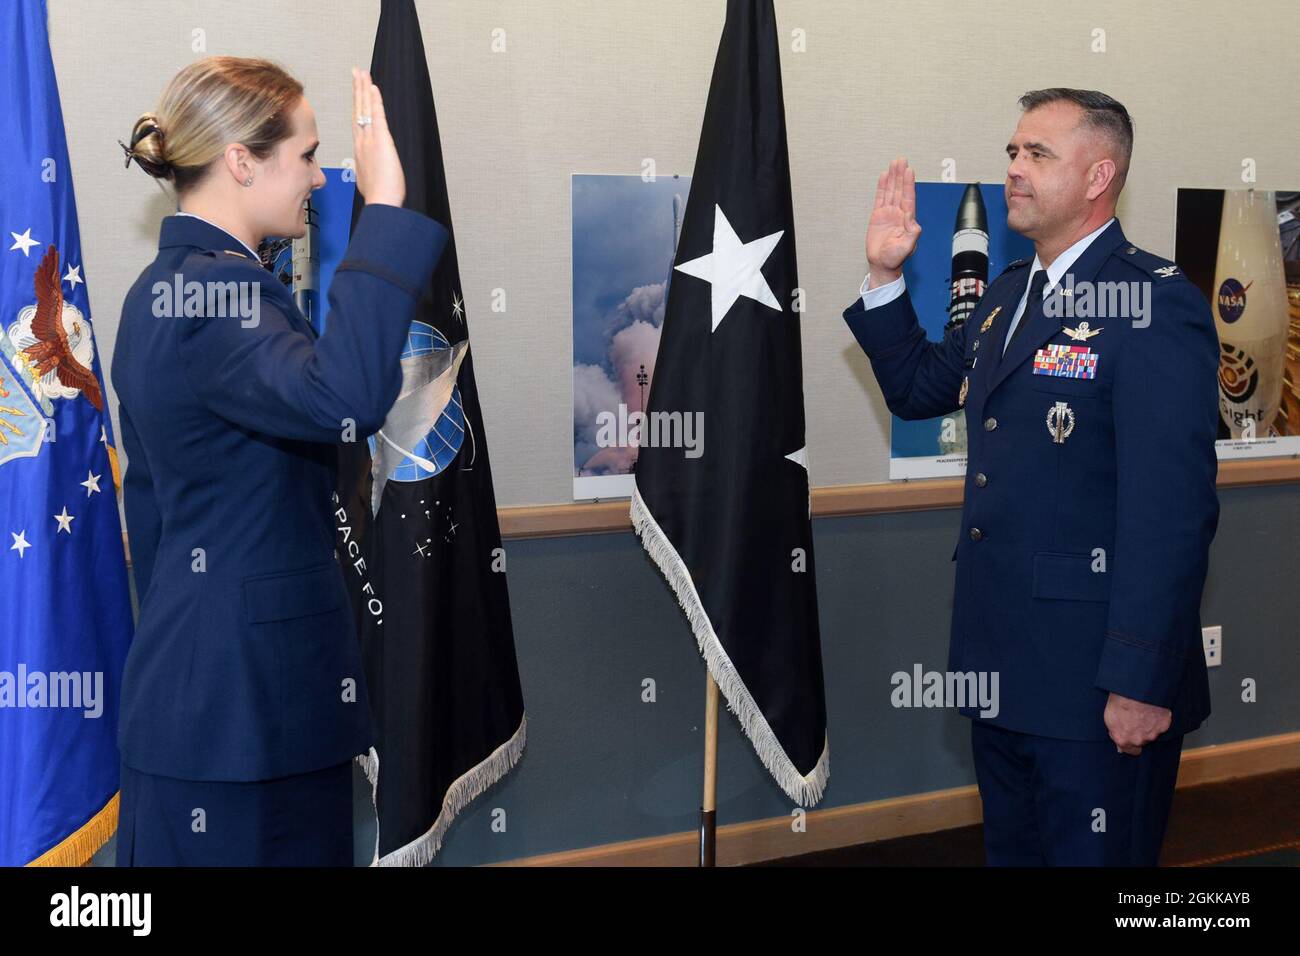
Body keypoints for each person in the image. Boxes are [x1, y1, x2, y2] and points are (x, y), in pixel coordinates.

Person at [843, 89, 1220, 865]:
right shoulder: (1010, 295)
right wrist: (884, 275)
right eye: (1013, 152)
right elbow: (919, 391)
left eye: (1037, 155)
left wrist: (1142, 681)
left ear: (1097, 176)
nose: (1014, 169)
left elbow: (1171, 512)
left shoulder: (1154, 303)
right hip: (1001, 664)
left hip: (1096, 686)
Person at [111, 56, 447, 865]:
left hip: (210, 701)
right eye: (306, 155)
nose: (322, 178)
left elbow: (154, 517)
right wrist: (388, 208)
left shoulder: (163, 290)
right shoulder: (223, 298)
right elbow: (347, 398)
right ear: (240, 159)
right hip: (244, 716)